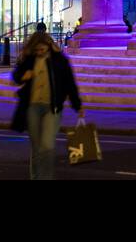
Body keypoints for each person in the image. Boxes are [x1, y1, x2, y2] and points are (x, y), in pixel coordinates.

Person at [11, 31, 83, 179]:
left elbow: (69, 83)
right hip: (32, 106)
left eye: (42, 49)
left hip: (53, 107)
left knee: (47, 146)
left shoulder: (60, 60)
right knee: (36, 147)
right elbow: (16, 75)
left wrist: (77, 105)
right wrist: (23, 76)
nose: (39, 52)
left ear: (48, 45)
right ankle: (35, 177)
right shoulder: (29, 59)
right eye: (36, 50)